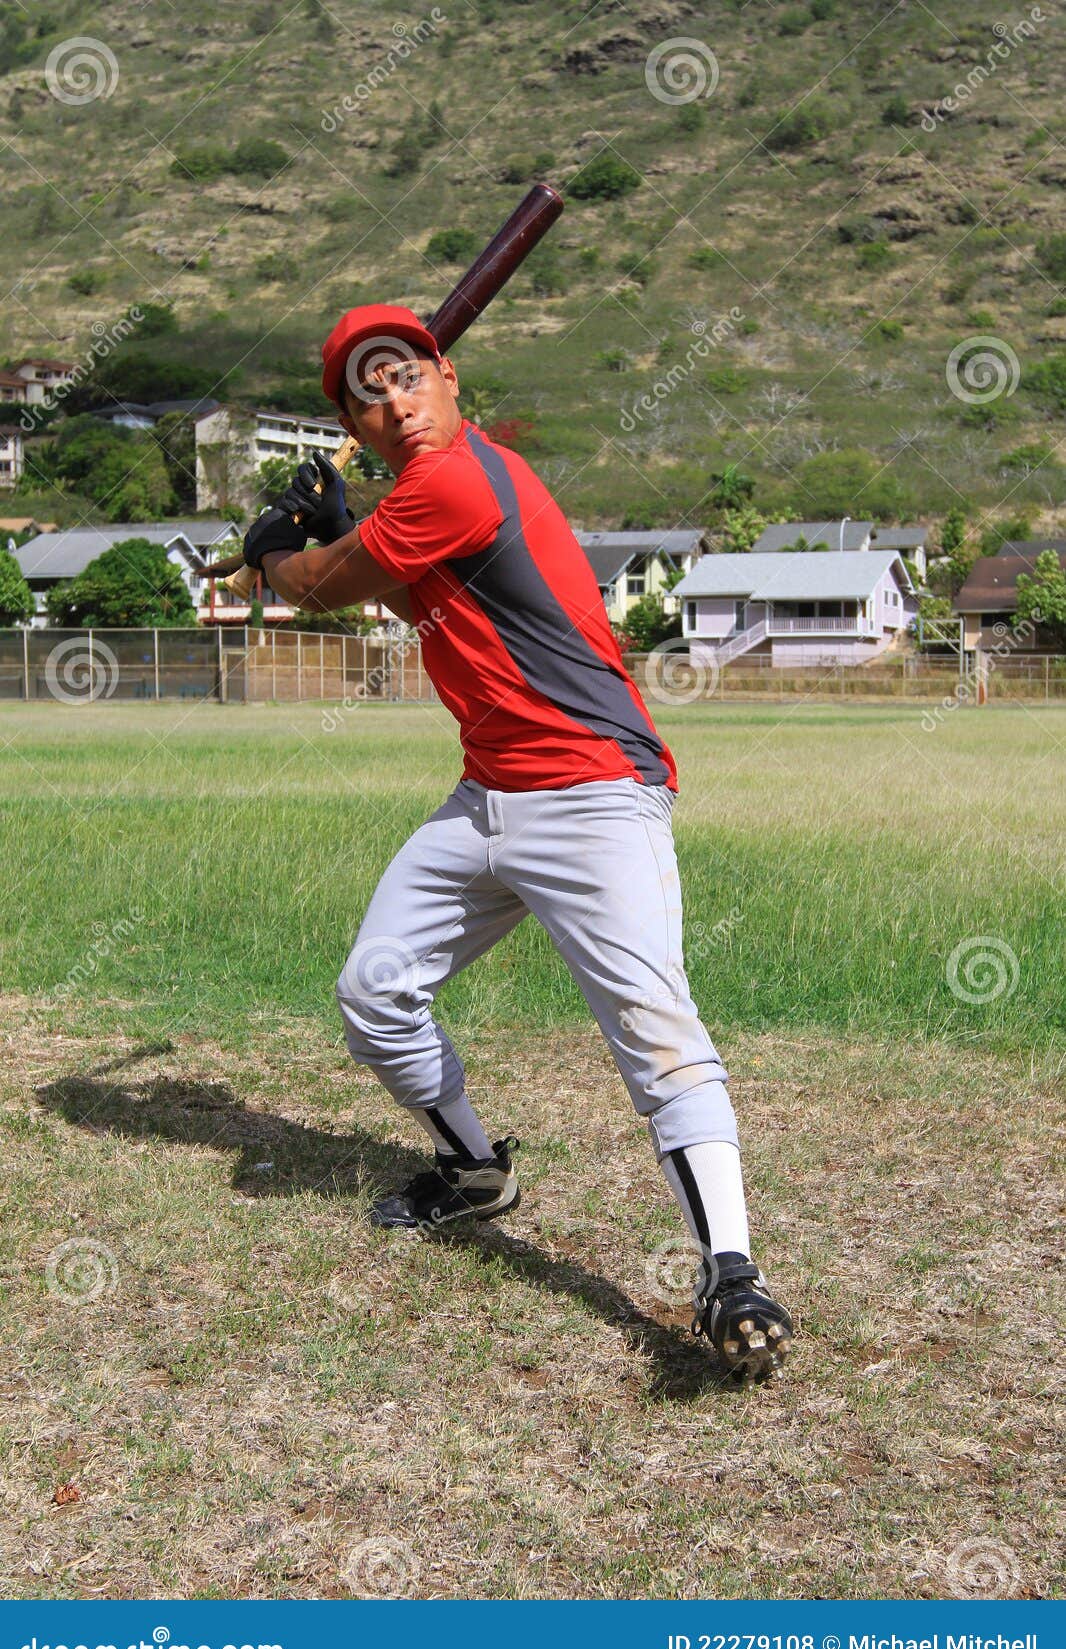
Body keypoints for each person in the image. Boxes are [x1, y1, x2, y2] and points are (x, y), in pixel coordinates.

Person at [241, 303, 794, 1383]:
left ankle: (731, 1269)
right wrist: (343, 526)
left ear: (449, 380)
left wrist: (276, 553)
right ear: (355, 421)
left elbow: (325, 589)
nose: (397, 404)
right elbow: (416, 601)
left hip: (592, 793)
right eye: (370, 395)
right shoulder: (430, 502)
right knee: (375, 988)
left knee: (656, 1030)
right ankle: (472, 1165)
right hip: (487, 796)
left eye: (410, 377)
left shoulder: (460, 481)